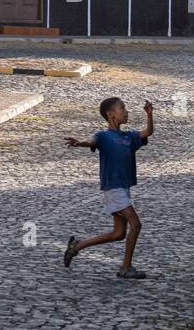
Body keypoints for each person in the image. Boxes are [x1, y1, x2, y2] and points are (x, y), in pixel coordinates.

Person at [62, 97, 154, 279]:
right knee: (136, 225)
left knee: (118, 233)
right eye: (122, 108)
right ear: (111, 114)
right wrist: (79, 143)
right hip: (113, 189)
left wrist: (149, 115)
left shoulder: (129, 137)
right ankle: (126, 268)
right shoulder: (103, 136)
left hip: (124, 188)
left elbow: (148, 132)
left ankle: (77, 246)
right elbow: (91, 141)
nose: (126, 112)